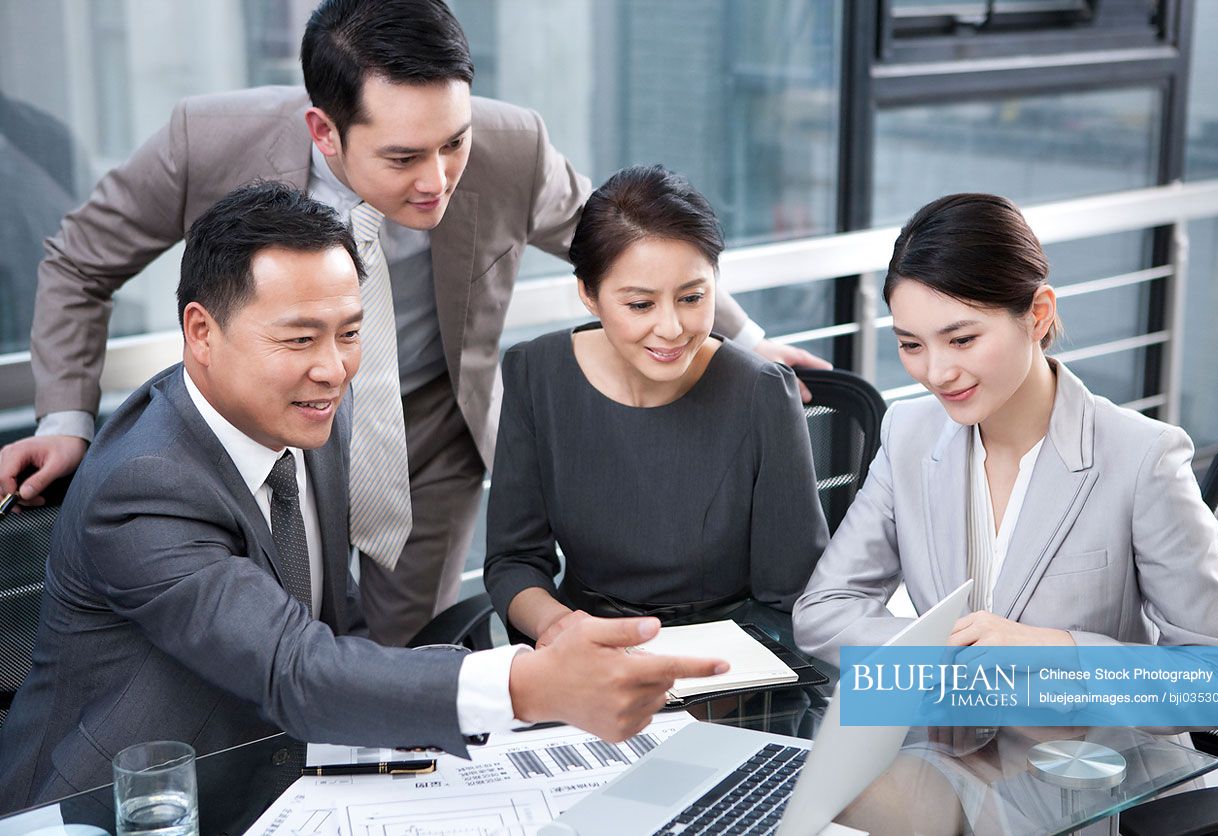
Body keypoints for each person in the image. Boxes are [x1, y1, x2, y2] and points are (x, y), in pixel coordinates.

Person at [0, 0, 828, 648]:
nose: (438, 180)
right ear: (324, 130)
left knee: (390, 664)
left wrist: (743, 340)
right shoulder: (206, 140)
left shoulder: (511, 145)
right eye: (403, 158)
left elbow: (633, 250)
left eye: (453, 144)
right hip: (267, 438)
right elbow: (79, 259)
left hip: (424, 437)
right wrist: (66, 419)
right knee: (271, 650)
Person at [0, 182, 727, 813]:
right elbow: (291, 664)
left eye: (350, 332)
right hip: (117, 805)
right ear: (201, 332)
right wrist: (528, 683)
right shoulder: (144, 484)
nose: (333, 368)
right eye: (298, 338)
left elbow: (328, 620)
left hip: (279, 771)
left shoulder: (316, 411)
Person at [792, 192, 1218, 659]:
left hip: (1085, 734)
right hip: (943, 731)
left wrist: (1054, 650)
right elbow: (823, 612)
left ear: (1038, 314)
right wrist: (944, 650)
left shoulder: (1142, 457)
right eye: (911, 345)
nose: (937, 372)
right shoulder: (908, 432)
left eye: (962, 339)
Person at [484, 165, 828, 645]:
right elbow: (514, 562)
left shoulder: (761, 391)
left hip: (728, 656)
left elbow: (789, 595)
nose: (671, 328)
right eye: (641, 305)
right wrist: (559, 626)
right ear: (589, 293)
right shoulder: (536, 372)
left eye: (692, 297)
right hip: (587, 649)